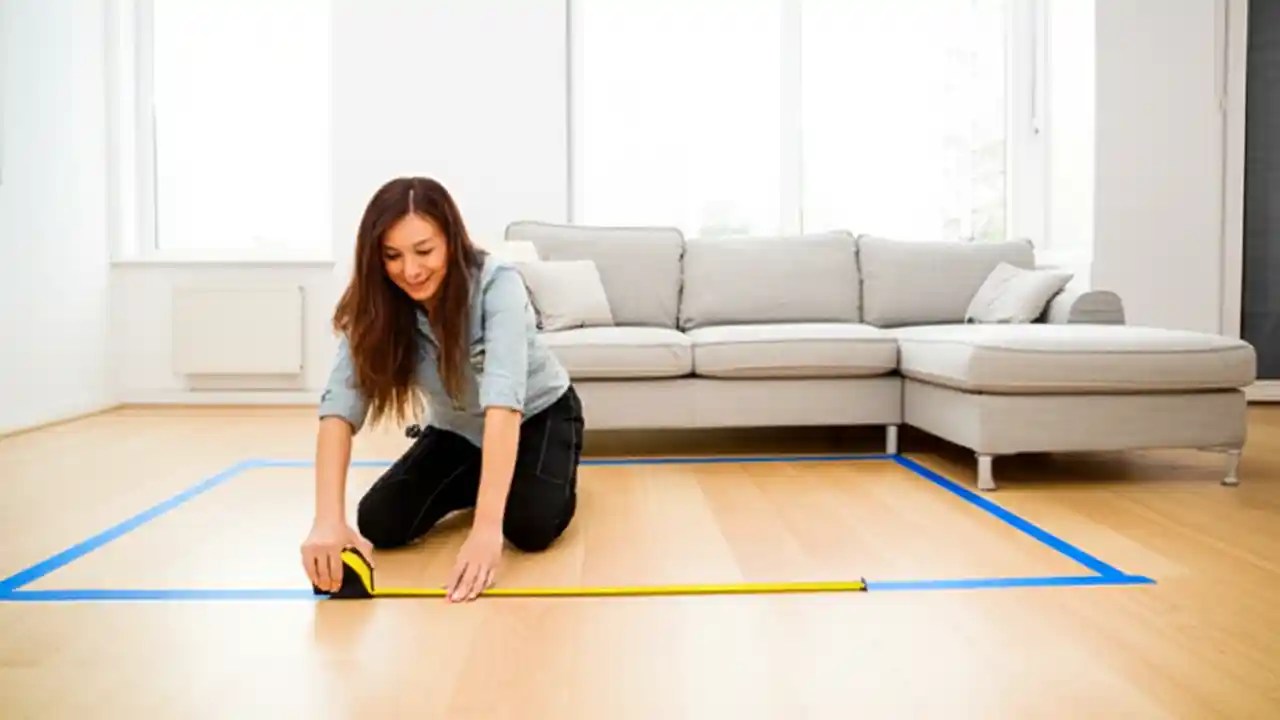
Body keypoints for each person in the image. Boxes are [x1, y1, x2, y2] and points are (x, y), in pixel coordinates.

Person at [300, 176, 583, 602]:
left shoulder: (497, 284)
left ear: (451, 239)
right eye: (392, 256)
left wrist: (487, 530)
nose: (410, 271)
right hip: (459, 429)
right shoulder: (376, 301)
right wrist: (326, 520)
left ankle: (521, 480)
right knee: (379, 521)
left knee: (530, 526)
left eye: (424, 251)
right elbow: (338, 407)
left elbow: (505, 403)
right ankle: (491, 479)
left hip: (537, 416)